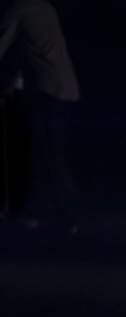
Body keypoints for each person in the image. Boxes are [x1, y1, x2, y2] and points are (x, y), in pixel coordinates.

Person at [0, 0, 81, 231]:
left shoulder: (19, 9)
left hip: (50, 91)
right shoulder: (45, 7)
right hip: (65, 89)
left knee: (48, 156)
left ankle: (66, 216)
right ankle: (53, 214)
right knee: (44, 153)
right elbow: (36, 46)